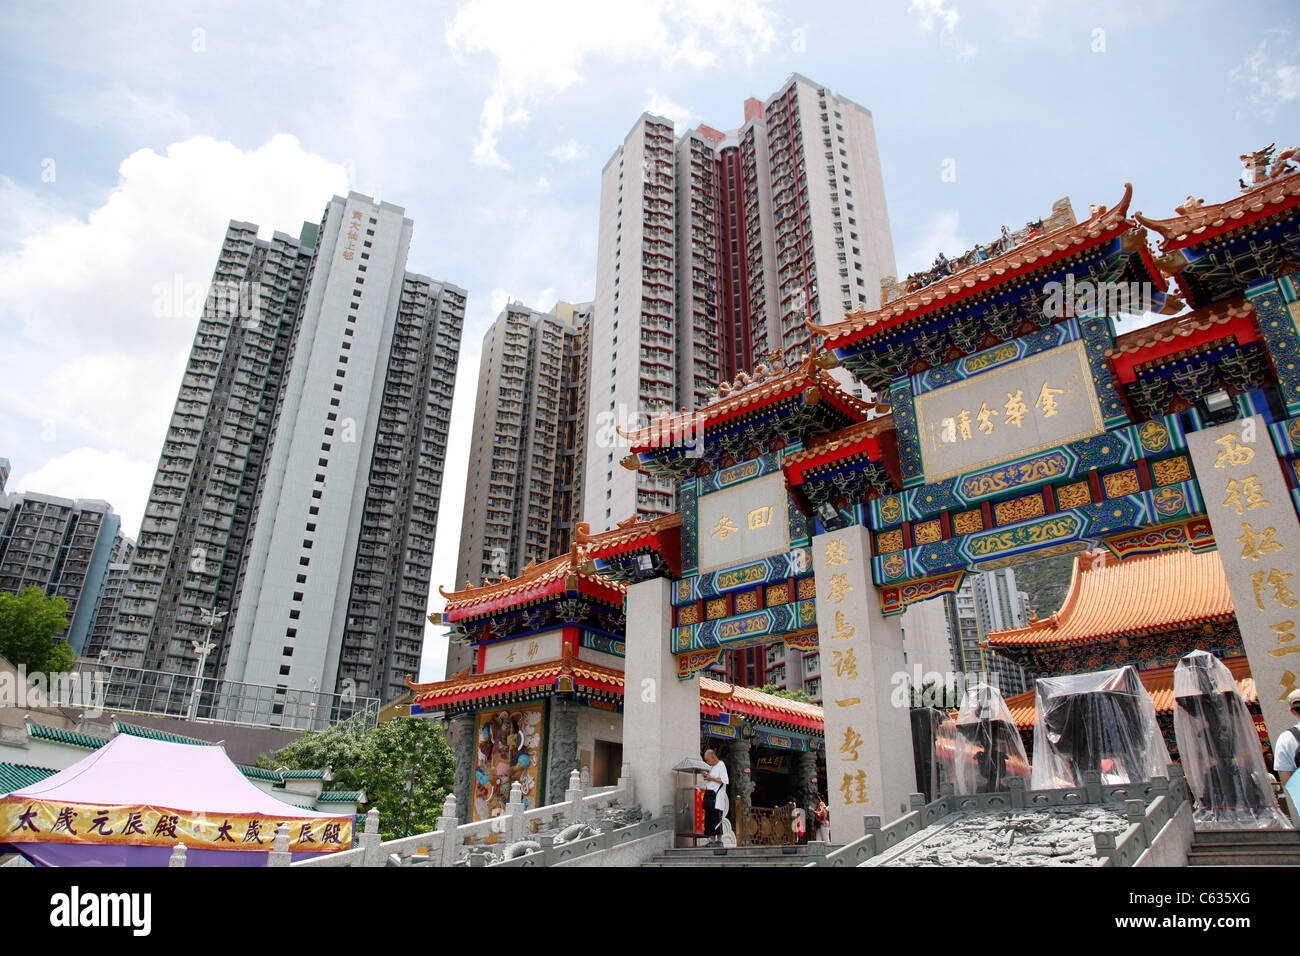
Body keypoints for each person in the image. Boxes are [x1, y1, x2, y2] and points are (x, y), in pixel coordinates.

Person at [700, 749, 729, 847]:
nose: (707, 762)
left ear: (713, 757)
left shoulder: (721, 765)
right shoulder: (711, 767)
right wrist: (706, 776)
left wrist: (711, 778)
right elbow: (710, 780)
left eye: (708, 760)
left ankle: (719, 840)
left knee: (716, 818)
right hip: (709, 795)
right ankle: (711, 840)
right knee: (709, 818)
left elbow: (724, 780)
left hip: (717, 797)